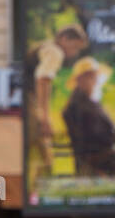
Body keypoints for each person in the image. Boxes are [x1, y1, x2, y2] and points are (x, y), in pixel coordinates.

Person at [25, 23, 89, 173]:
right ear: (64, 38)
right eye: (74, 47)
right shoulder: (55, 52)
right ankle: (41, 185)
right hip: (28, 100)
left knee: (37, 150)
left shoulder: (43, 46)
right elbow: (43, 80)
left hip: (26, 99)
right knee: (42, 148)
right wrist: (45, 117)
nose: (74, 53)